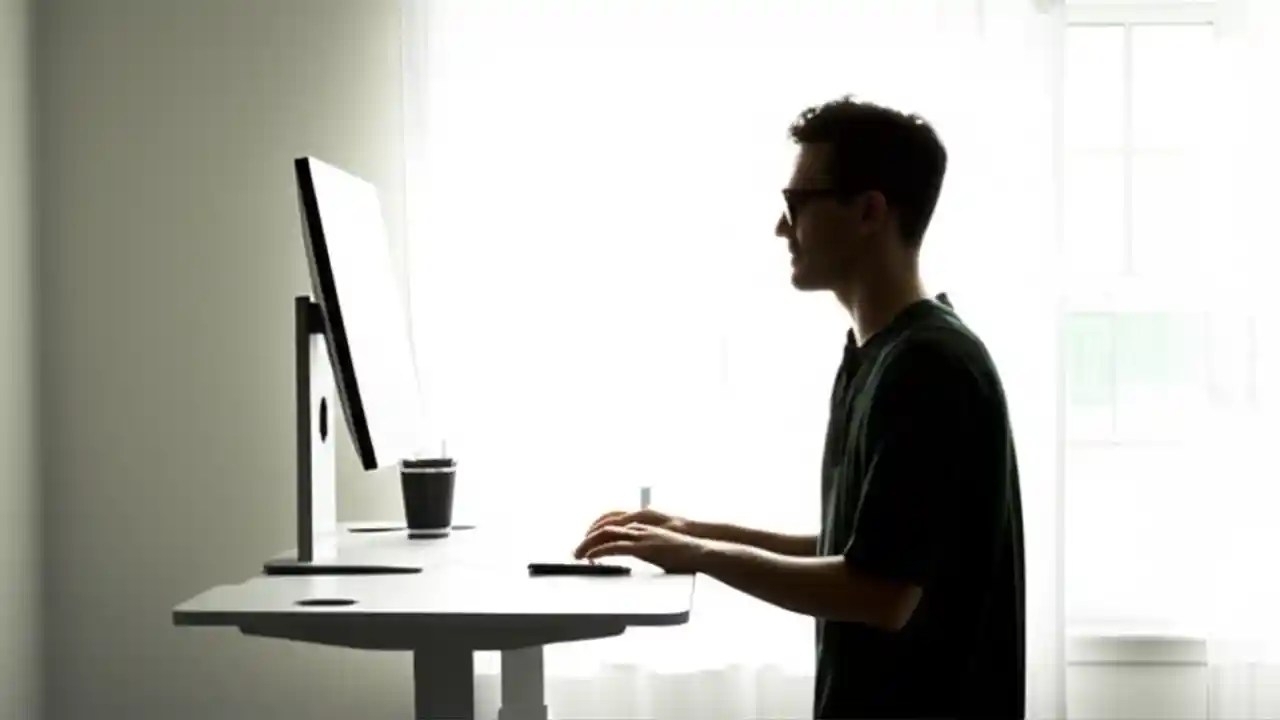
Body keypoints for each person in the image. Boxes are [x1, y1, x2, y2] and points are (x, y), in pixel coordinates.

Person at [573, 96, 1026, 719]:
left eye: (796, 205)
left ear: (869, 211)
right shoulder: (877, 356)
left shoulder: (929, 367)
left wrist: (701, 556)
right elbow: (863, 548)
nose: (782, 228)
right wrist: (695, 531)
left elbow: (879, 594)